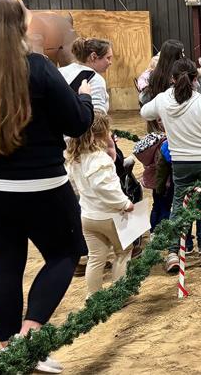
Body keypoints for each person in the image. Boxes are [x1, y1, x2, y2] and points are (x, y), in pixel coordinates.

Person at [0, 0, 94, 373]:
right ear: (18, 24)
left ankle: (11, 348)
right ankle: (28, 334)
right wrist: (85, 99)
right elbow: (76, 122)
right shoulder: (38, 68)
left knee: (3, 266)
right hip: (40, 186)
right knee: (64, 253)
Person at [141, 58, 201, 272]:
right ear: (196, 79)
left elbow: (144, 112)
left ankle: (174, 252)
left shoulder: (163, 100)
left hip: (181, 163)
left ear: (172, 79)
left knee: (180, 205)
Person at [66, 112, 135, 297]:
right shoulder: (99, 159)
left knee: (95, 258)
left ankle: (93, 296)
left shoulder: (75, 158)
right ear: (100, 133)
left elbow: (73, 185)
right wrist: (125, 204)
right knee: (123, 251)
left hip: (88, 216)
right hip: (109, 216)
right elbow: (106, 188)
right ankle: (121, 294)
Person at [59, 37, 112, 112]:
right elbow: (96, 117)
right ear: (93, 57)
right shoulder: (95, 79)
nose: (110, 62)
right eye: (108, 58)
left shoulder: (60, 71)